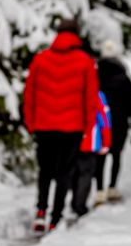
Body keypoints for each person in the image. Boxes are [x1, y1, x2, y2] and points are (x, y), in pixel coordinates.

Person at [22, 18, 99, 233]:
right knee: (64, 173)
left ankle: (40, 211)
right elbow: (91, 98)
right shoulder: (85, 62)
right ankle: (56, 216)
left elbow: (29, 94)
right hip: (72, 128)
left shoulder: (40, 59)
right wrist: (88, 126)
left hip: (43, 126)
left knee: (45, 171)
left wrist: (31, 122)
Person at [93, 40, 131, 205]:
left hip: (101, 121)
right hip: (120, 122)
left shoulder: (95, 74)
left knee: (100, 156)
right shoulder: (123, 77)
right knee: (116, 155)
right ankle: (112, 187)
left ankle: (99, 190)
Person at [69, 89, 112, 221]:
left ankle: (75, 201)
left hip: (70, 139)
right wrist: (106, 140)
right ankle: (79, 205)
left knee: (74, 171)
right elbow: (104, 118)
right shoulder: (97, 94)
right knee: (86, 173)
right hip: (89, 141)